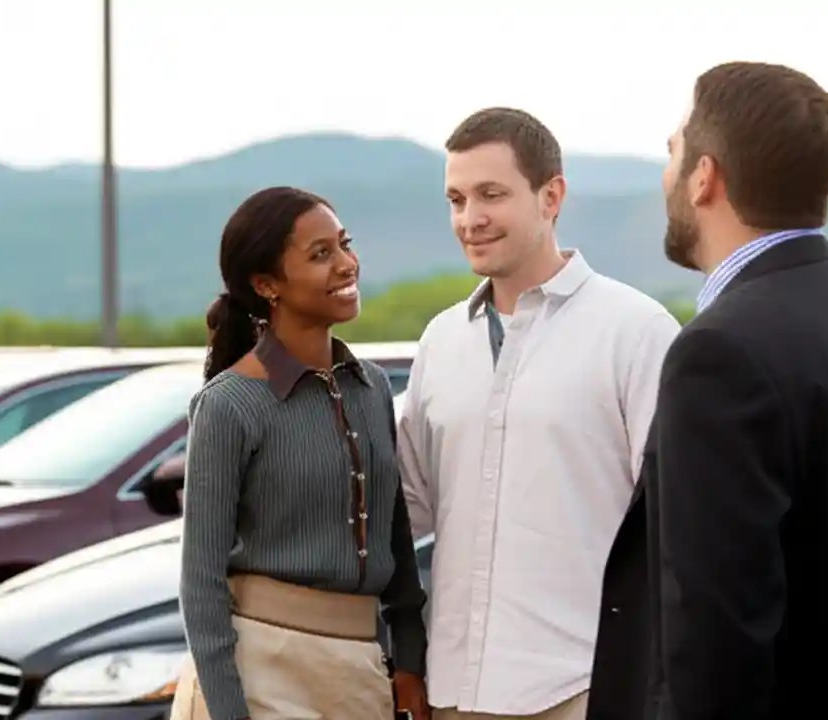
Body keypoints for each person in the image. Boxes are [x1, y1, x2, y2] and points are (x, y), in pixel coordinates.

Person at [588, 61, 828, 719]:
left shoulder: (719, 353)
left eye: (673, 151)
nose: (667, 171)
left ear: (706, 177)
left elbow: (715, 634)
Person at [398, 107, 680, 720]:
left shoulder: (635, 331)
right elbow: (407, 507)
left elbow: (674, 526)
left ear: (551, 196)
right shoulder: (441, 341)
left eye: (490, 195)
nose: (469, 219)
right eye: (456, 198)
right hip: (451, 692)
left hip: (582, 689)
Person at [171, 186, 430, 720]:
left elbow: (396, 536)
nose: (346, 264)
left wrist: (410, 660)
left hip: (361, 670)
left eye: (344, 245)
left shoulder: (373, 388)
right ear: (266, 285)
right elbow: (201, 584)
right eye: (320, 254)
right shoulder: (229, 405)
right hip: (262, 670)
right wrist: (226, 711)